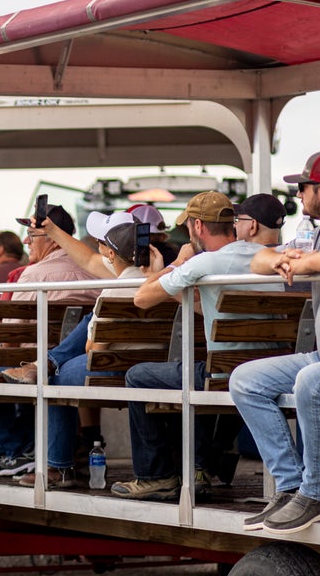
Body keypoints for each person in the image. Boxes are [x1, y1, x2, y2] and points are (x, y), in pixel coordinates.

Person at [229, 150, 320, 534]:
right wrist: (282, 260)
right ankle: (293, 485)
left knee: (310, 382)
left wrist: (304, 263)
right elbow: (259, 259)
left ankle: (319, 492)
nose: (298, 194)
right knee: (245, 380)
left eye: (303, 187)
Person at [110, 191, 282, 501]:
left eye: (188, 227)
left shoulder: (204, 262)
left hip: (221, 375)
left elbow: (141, 298)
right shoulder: (262, 256)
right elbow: (214, 308)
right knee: (192, 372)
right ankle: (199, 466)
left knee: (138, 375)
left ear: (198, 226)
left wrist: (175, 264)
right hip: (266, 371)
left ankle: (156, 475)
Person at [0, 205, 100, 476]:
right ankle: (18, 447)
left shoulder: (34, 276)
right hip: (77, 365)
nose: (26, 240)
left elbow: (8, 344)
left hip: (34, 367)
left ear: (52, 237)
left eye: (32, 234)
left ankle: (15, 446)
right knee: (46, 375)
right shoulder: (97, 273)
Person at [16, 217, 165, 487]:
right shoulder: (160, 283)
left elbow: (94, 348)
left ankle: (58, 467)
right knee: (60, 365)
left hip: (111, 367)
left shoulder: (114, 289)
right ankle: (48, 363)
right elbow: (87, 260)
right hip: (153, 368)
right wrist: (51, 228)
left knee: (53, 379)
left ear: (110, 253)